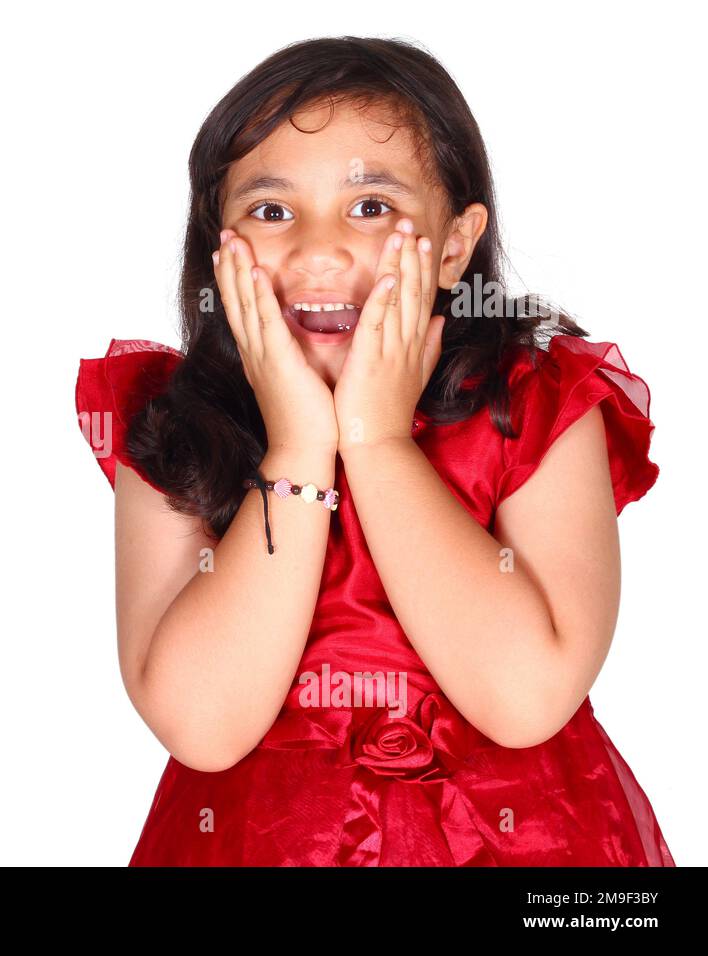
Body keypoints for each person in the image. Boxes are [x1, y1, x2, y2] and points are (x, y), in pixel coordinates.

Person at [74, 36, 674, 866]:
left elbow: (527, 696)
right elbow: (202, 727)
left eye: (370, 207)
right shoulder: (170, 428)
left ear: (455, 246)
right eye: (272, 211)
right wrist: (300, 445)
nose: (319, 252)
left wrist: (380, 442)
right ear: (221, 247)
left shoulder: (536, 405)